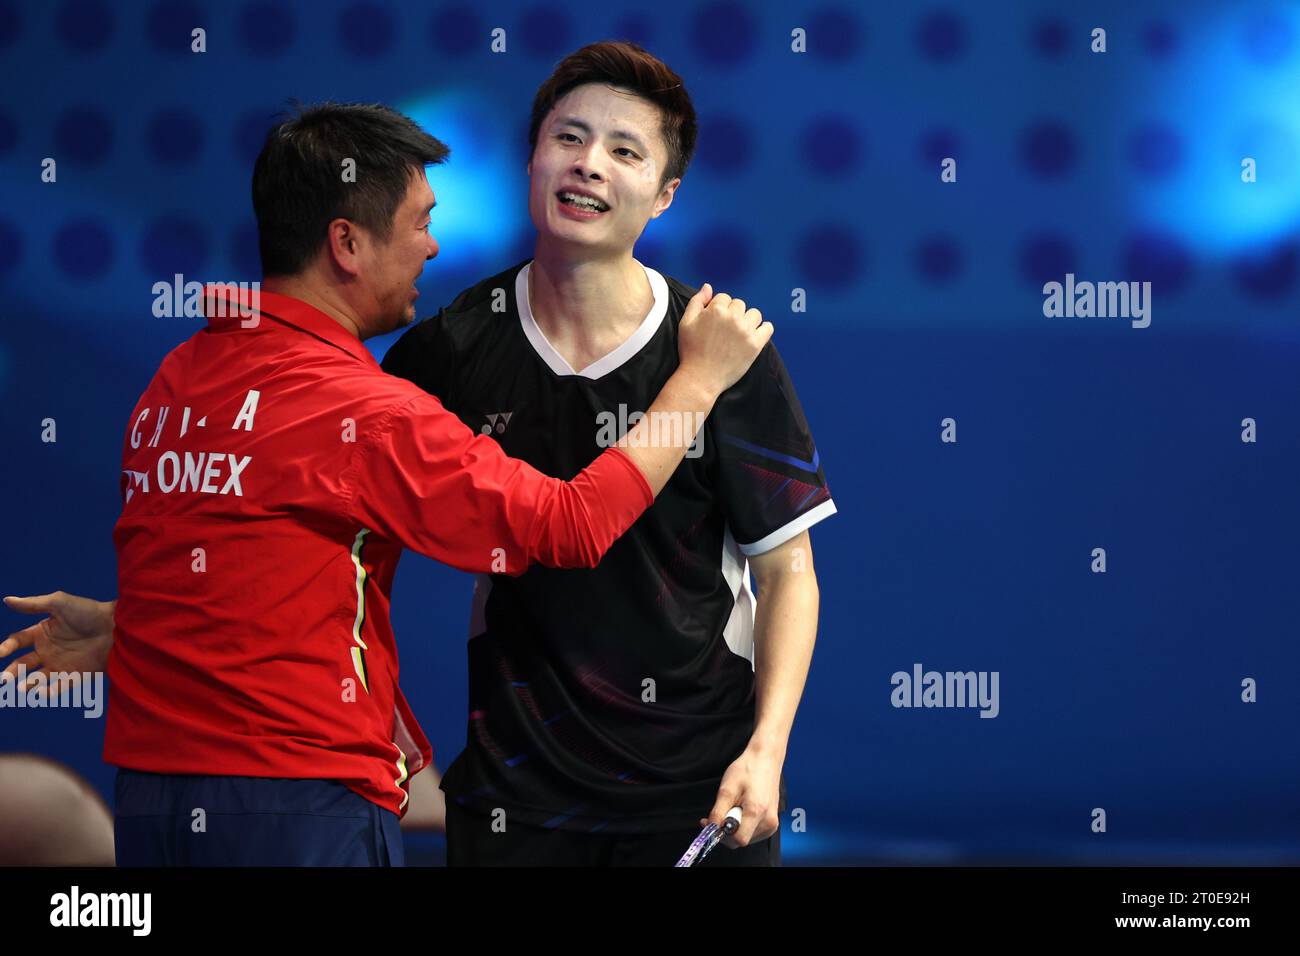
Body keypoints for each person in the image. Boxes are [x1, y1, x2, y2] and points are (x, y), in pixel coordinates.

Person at [0, 100, 771, 866]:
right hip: (301, 806)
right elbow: (567, 526)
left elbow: (245, 559)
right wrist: (697, 383)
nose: (432, 249)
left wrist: (126, 627)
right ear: (347, 244)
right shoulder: (366, 413)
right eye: (419, 223)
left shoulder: (177, 382)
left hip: (153, 800)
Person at [380, 41, 835, 866]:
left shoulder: (722, 347)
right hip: (514, 794)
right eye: (569, 138)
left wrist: (766, 754)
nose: (589, 165)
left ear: (663, 196)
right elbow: (348, 541)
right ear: (531, 159)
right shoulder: (450, 348)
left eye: (625, 152)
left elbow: (786, 572)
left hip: (698, 795)